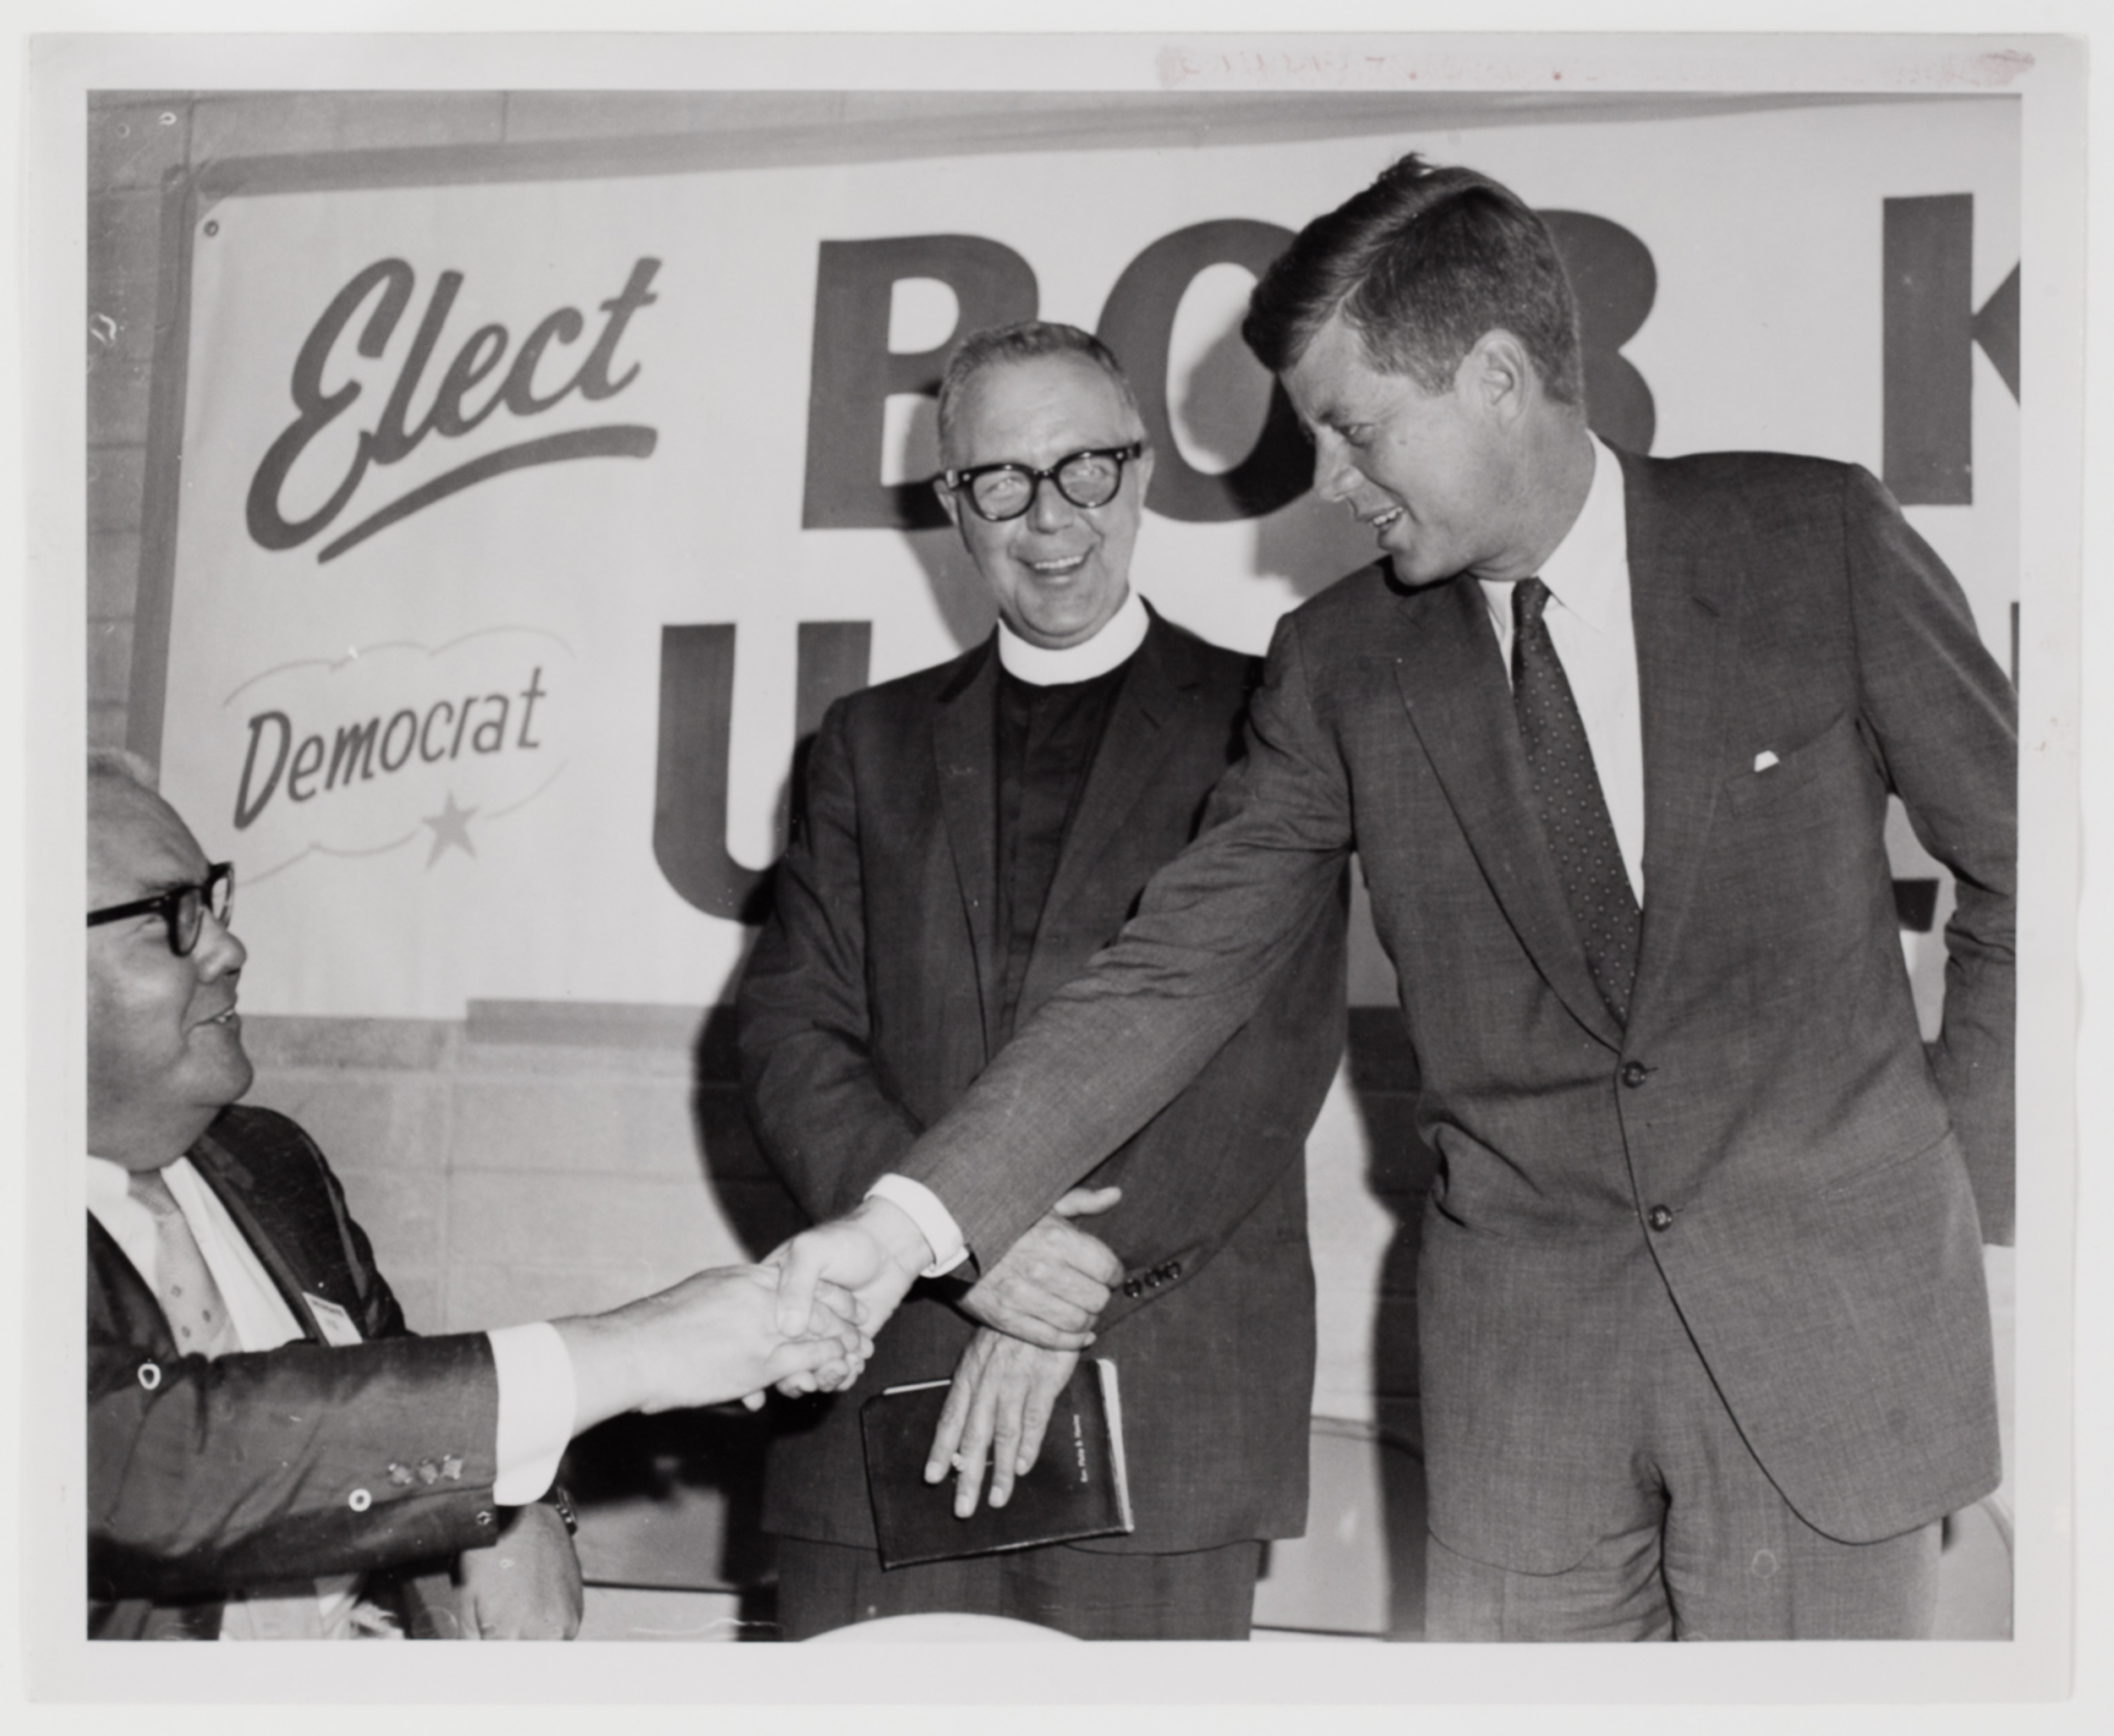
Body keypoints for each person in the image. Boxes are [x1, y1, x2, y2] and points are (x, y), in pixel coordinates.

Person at [771, 156, 2016, 1642]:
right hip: (1526, 1394)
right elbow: (1176, 967)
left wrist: (1944, 1165)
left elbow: (2040, 865)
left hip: (1833, 1345)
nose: (1331, 486)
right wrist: (912, 1223)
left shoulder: (1813, 543)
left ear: (1495, 376)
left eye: (1356, 431)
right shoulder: (1339, 662)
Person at [737, 322, 1346, 1640]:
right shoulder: (867, 744)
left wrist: (1065, 1283)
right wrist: (975, 1251)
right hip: (883, 1388)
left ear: (1142, 475)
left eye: (1086, 468)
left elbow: (1268, 1052)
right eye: (1002, 480)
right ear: (952, 502)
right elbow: (793, 1032)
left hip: (1163, 1395)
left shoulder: (1274, 718)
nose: (1050, 517)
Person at [85, 751, 869, 1640]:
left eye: (213, 899)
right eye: (165, 917)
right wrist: (639, 1348)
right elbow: (149, 1462)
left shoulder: (268, 1163)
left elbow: (383, 1401)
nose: (230, 946)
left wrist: (513, 1511)